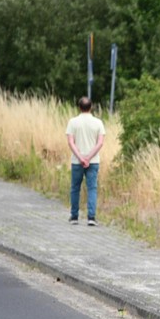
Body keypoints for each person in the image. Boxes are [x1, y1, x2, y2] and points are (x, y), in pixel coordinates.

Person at [66, 96, 106, 225]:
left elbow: (71, 142)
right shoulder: (98, 122)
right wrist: (88, 158)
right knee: (92, 188)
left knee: (75, 188)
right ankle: (91, 217)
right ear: (91, 107)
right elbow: (100, 143)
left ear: (79, 107)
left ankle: (74, 217)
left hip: (77, 161)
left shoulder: (73, 122)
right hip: (93, 161)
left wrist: (81, 157)